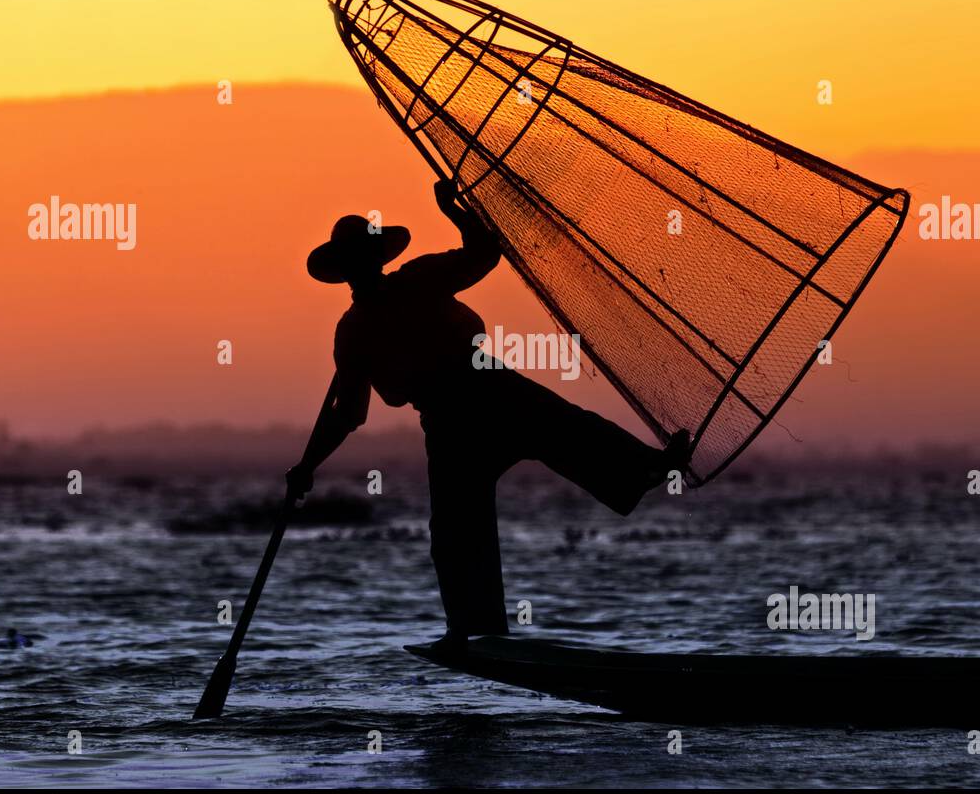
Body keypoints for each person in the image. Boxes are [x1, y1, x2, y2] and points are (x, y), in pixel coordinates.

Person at [287, 181, 688, 645]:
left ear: (375, 259)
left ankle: (651, 467)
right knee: (457, 531)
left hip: (488, 389)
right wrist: (307, 466)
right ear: (347, 270)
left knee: (571, 430)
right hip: (449, 422)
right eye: (354, 261)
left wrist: (455, 211)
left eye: (365, 257)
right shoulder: (354, 331)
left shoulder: (416, 280)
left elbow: (482, 254)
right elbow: (349, 413)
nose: (362, 268)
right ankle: (475, 629)